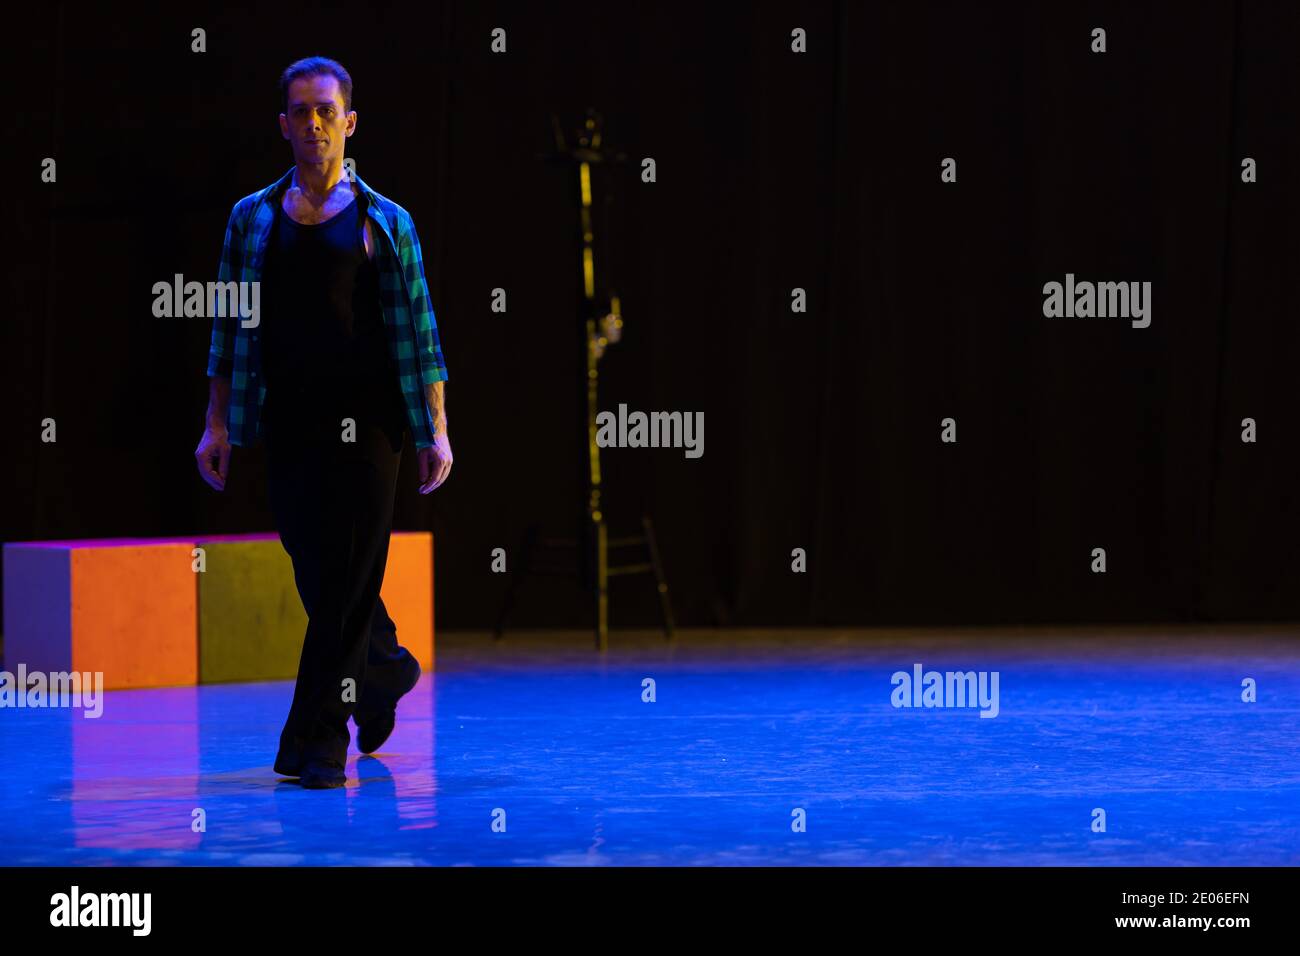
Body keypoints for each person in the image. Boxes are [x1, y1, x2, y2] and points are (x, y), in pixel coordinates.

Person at [195, 56, 452, 789]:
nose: (314, 124)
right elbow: (227, 332)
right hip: (290, 424)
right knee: (323, 579)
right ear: (283, 125)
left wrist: (436, 427)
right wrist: (216, 424)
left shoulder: (385, 222)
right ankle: (384, 671)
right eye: (301, 112)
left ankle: (318, 743)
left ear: (350, 122)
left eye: (326, 111)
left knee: (344, 581)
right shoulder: (252, 220)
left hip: (373, 428)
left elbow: (421, 333)